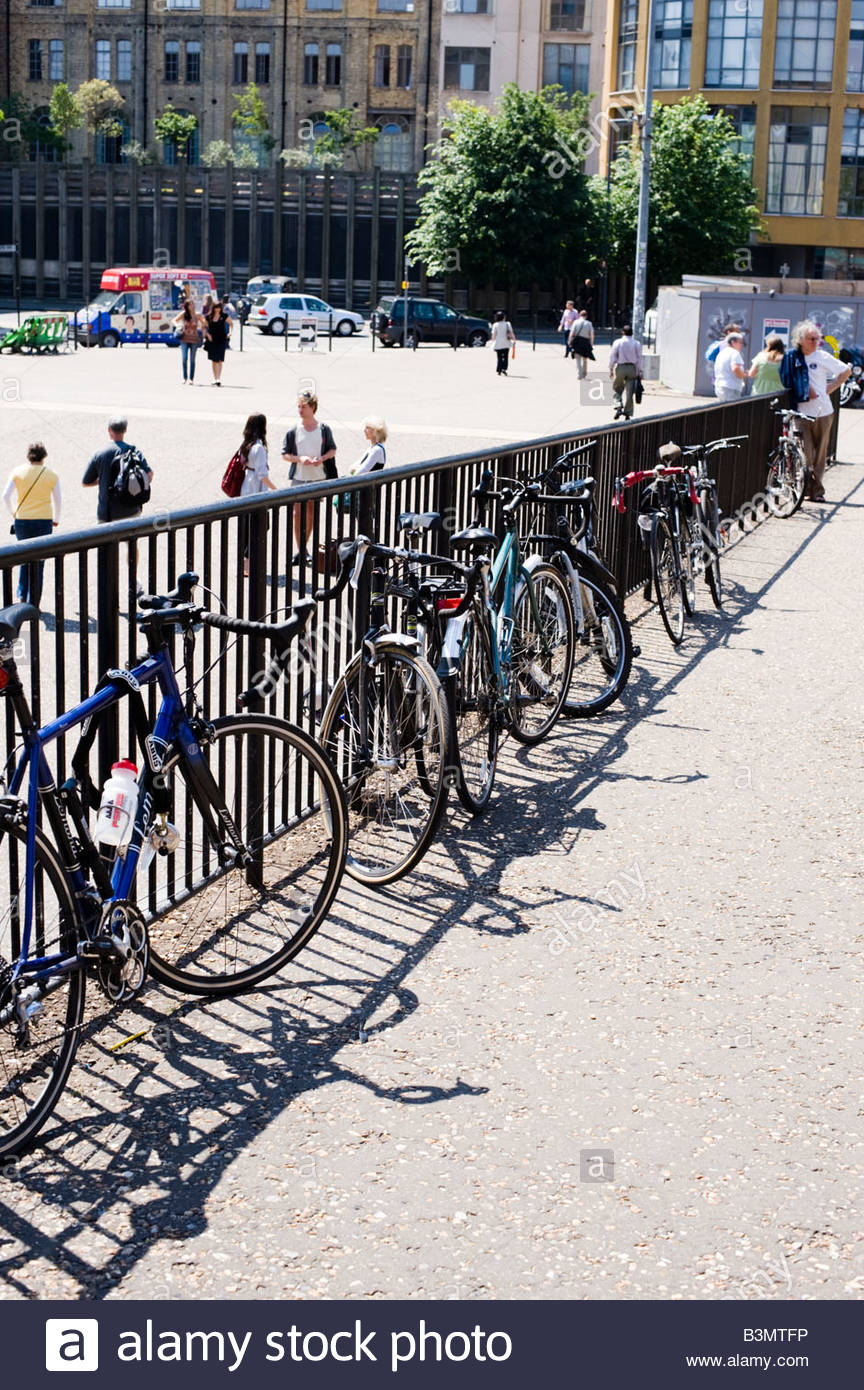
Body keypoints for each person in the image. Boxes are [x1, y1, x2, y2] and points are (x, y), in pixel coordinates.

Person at [780, 320, 850, 503]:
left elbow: (845, 371)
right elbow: (786, 380)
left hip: (824, 411)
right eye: (812, 338)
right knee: (806, 454)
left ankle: (816, 491)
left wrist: (830, 387)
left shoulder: (821, 356)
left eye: (818, 338)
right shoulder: (792, 357)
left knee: (820, 455)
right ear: (800, 339)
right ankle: (803, 487)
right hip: (802, 413)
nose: (816, 341)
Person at [281, 389, 338, 564]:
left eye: (303, 406)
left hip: (317, 476)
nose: (300, 410)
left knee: (311, 513)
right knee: (297, 514)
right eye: (298, 406)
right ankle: (300, 549)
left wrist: (322, 458)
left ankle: (303, 549)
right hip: (299, 475)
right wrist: (300, 459)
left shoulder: (323, 428)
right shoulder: (293, 429)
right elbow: (285, 454)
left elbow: (333, 449)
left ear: (312, 407)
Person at [3, 442, 61, 607]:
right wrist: (56, 518)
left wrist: (15, 512)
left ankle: (22, 596)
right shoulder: (51, 475)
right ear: (44, 456)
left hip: (22, 520)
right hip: (43, 520)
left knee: (24, 557)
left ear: (28, 456)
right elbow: (58, 499)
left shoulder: (18, 472)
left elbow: (6, 496)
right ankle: (33, 601)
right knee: (39, 561)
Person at [82, 416, 153, 524]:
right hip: (132, 510)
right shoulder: (134, 451)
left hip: (107, 514)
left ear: (109, 430)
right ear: (125, 430)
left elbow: (85, 482)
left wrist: (101, 480)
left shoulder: (100, 454)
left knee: (107, 540)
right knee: (131, 540)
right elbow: (149, 475)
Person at [237, 413, 276, 576]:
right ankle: (248, 563)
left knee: (246, 527)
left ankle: (245, 564)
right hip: (256, 490)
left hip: (246, 486)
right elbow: (262, 475)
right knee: (261, 526)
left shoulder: (245, 445)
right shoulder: (259, 448)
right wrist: (275, 489)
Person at [609, 324, 643, 420]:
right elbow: (639, 358)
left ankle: (619, 406)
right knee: (630, 391)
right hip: (632, 368)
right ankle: (628, 413)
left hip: (621, 367)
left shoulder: (618, 342)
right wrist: (640, 371)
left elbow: (613, 357)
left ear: (622, 332)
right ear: (632, 333)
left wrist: (611, 369)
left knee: (617, 388)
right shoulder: (637, 343)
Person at [172, 299, 206, 384]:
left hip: (194, 339)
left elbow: (205, 323)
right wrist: (178, 326)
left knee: (192, 359)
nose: (192, 306)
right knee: (184, 358)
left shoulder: (197, 315)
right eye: (190, 304)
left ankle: (191, 378)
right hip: (184, 338)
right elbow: (174, 320)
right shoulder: (184, 314)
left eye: (193, 304)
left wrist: (204, 323)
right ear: (187, 306)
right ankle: (185, 377)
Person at [713, 332, 747, 401]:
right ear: (733, 342)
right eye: (740, 342)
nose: (742, 345)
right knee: (732, 410)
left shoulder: (722, 353)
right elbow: (735, 368)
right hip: (731, 388)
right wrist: (743, 375)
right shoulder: (735, 353)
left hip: (720, 386)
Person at [204, 300, 230, 385]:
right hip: (212, 340)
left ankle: (218, 379)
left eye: (219, 308)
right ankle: (215, 378)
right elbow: (203, 327)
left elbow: (231, 324)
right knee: (214, 360)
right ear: (213, 308)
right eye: (216, 307)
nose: (217, 309)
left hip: (222, 339)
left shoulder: (224, 316)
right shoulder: (209, 317)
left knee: (219, 360)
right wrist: (208, 335)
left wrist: (230, 332)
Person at [568, 308, 594, 380]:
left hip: (577, 342)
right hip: (585, 342)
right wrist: (591, 343)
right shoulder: (589, 323)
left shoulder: (576, 322)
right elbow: (592, 334)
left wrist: (569, 341)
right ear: (586, 316)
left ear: (579, 315)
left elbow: (572, 333)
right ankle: (584, 372)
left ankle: (579, 374)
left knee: (578, 359)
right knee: (585, 359)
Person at [490, 310, 515, 376]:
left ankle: (499, 370)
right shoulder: (508, 324)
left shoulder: (495, 325)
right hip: (506, 343)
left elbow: (493, 335)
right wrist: (514, 339)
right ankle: (504, 369)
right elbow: (511, 333)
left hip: (498, 343)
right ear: (503, 317)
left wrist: (493, 340)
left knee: (499, 357)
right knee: (506, 357)